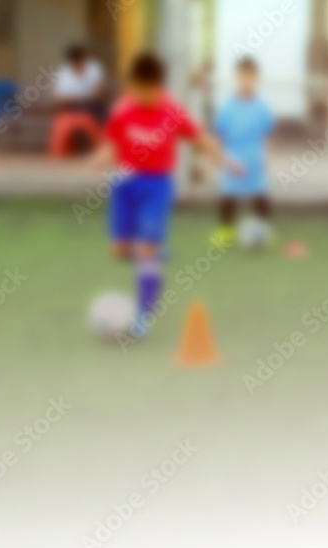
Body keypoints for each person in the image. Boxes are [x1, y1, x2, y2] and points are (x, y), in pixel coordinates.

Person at [91, 53, 242, 337]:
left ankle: (143, 318)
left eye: (146, 90)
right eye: (135, 89)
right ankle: (153, 254)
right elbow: (112, 142)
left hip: (156, 185)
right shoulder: (122, 110)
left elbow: (200, 140)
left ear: (158, 86)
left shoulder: (172, 112)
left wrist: (225, 162)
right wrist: (101, 156)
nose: (140, 95)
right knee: (119, 250)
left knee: (147, 251)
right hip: (123, 183)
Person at [210, 57, 275, 248]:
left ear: (256, 79)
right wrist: (218, 159)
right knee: (228, 196)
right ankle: (225, 231)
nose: (246, 81)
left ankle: (264, 231)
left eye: (250, 77)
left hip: (255, 158)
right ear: (237, 77)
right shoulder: (228, 107)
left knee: (260, 196)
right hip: (233, 159)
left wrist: (268, 157)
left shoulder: (262, 107)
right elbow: (218, 134)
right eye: (243, 76)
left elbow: (268, 135)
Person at [50, 45, 106, 157]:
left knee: (101, 116)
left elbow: (99, 94)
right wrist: (82, 97)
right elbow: (58, 99)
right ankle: (65, 152)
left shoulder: (94, 68)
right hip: (70, 109)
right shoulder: (64, 72)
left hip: (91, 107)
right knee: (62, 123)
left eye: (80, 60)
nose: (79, 63)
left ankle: (100, 149)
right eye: (76, 61)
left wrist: (75, 98)